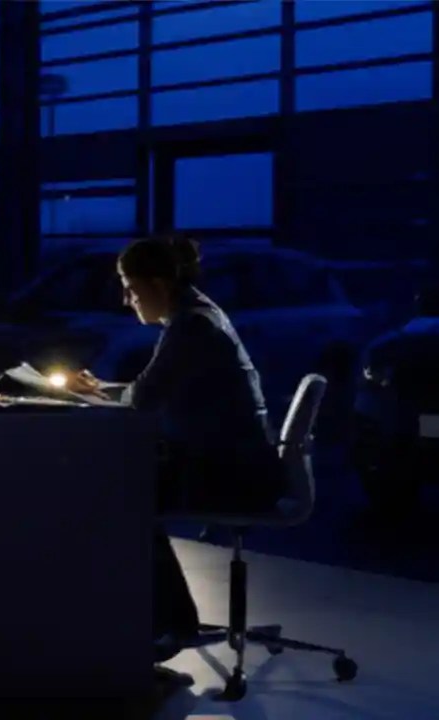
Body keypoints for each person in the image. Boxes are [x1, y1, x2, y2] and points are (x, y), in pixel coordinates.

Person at [66, 234, 285, 657]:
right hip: (241, 464)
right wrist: (104, 389)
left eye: (130, 288)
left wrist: (92, 394)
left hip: (233, 473)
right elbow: (150, 392)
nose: (127, 300)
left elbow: (145, 399)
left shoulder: (191, 327)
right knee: (128, 493)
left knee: (123, 500)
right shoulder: (199, 316)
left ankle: (169, 623)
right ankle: (168, 620)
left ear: (158, 285)